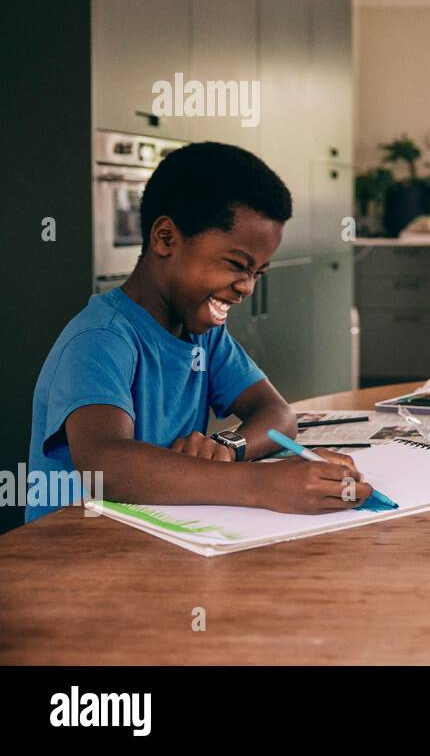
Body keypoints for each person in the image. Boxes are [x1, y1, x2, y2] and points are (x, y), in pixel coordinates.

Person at [25, 142, 372, 522]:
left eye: (257, 273)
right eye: (237, 265)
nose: (247, 287)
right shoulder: (100, 338)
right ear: (166, 239)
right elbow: (107, 467)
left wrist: (227, 446)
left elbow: (276, 413)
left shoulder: (201, 334)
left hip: (161, 539)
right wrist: (261, 483)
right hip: (75, 557)